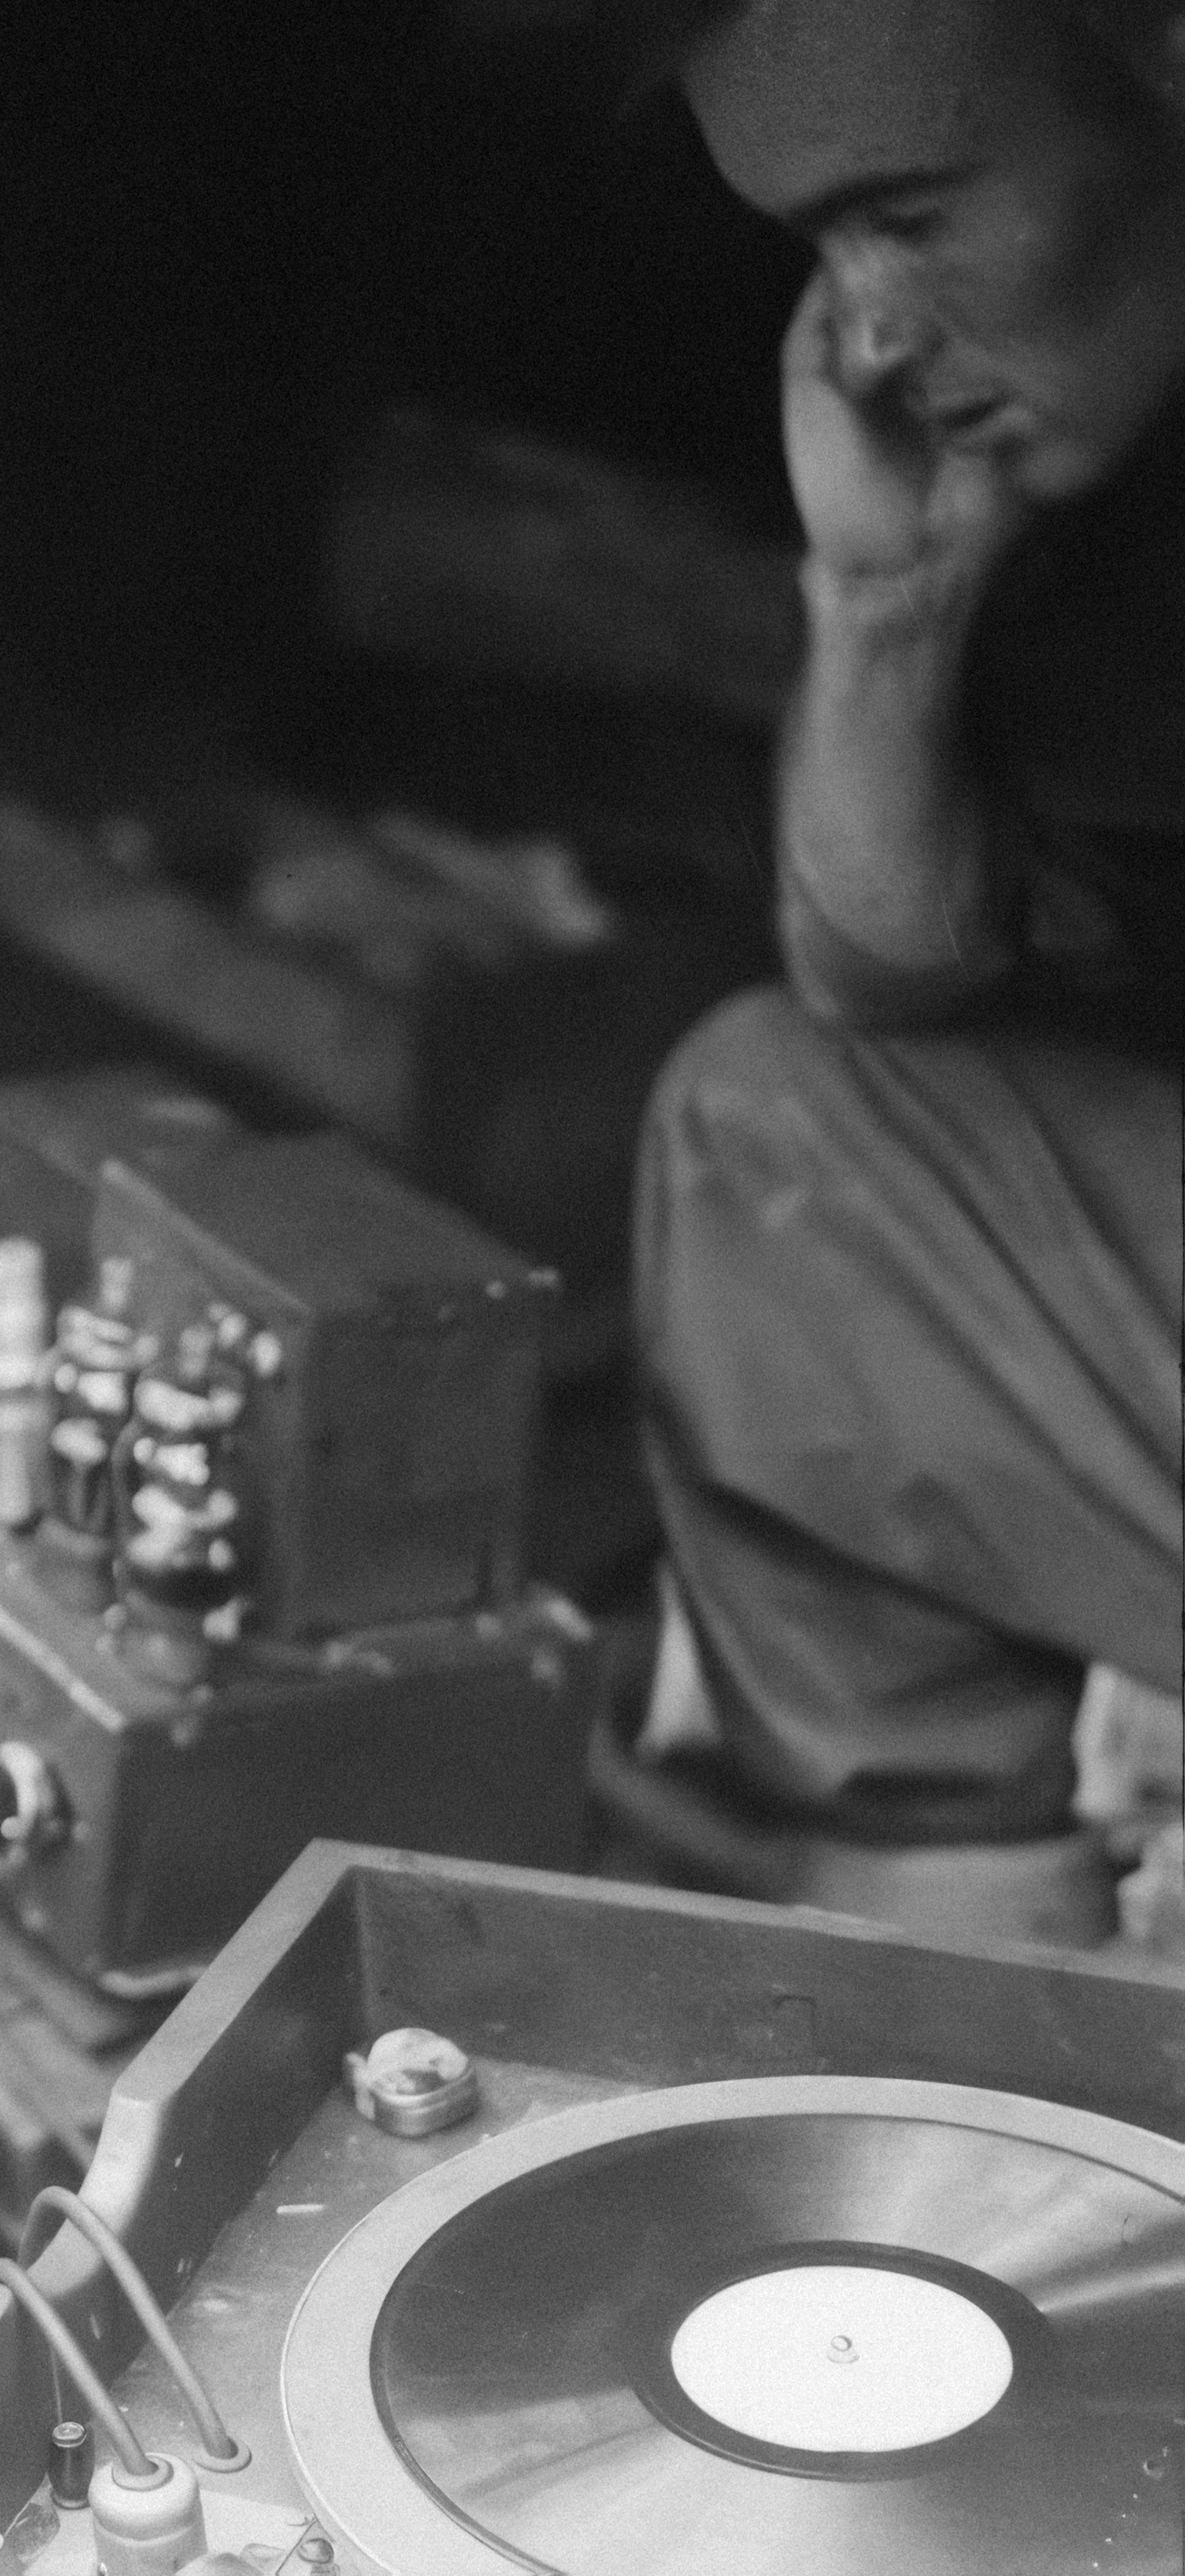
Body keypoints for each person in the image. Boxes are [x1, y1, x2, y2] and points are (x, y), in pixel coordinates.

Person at [614, 0, 1184, 1941]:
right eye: (812, 247)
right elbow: (873, 992)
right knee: (764, 1118)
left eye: (912, 215)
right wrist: (883, 607)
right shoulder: (1087, 477)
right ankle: (982, 2008)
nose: (860, 334)